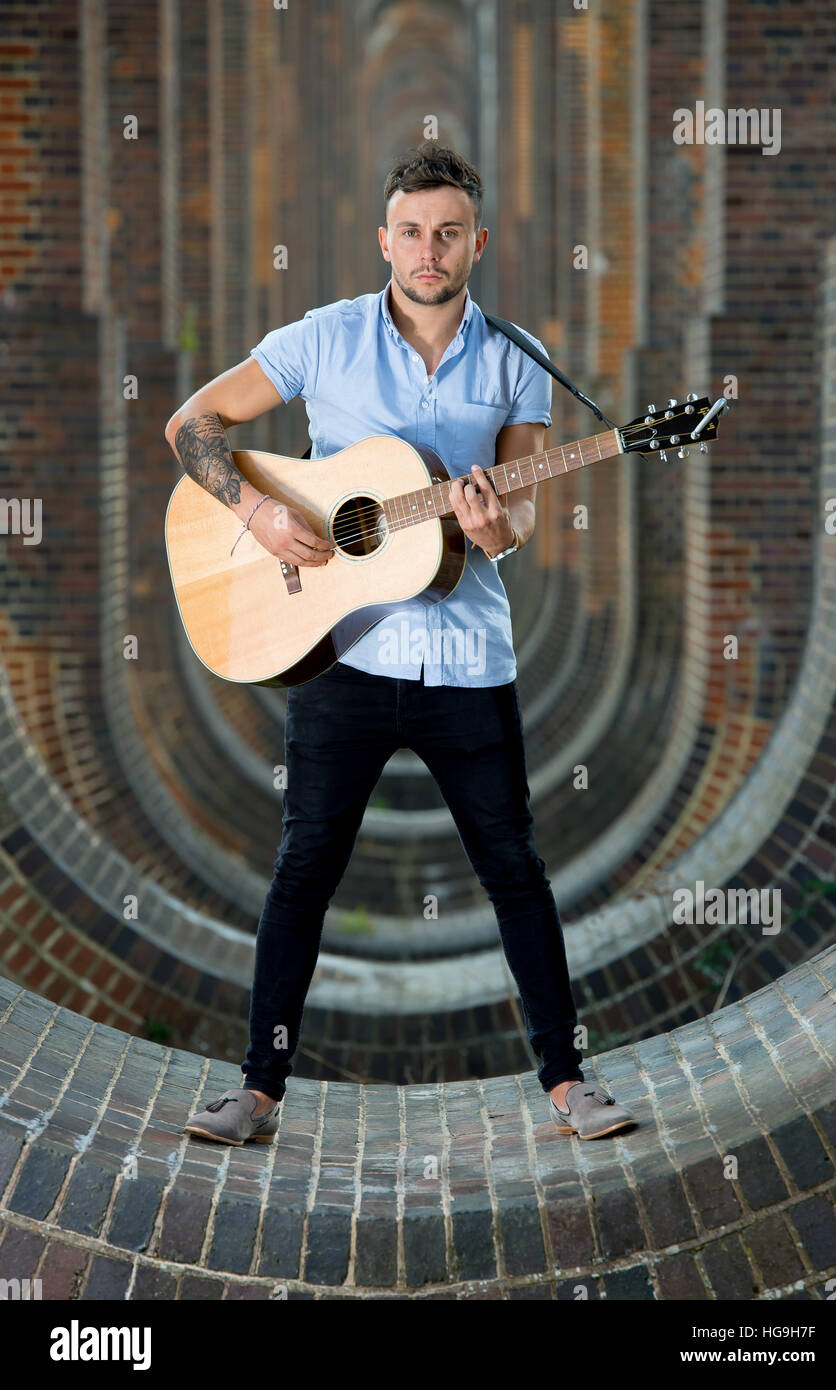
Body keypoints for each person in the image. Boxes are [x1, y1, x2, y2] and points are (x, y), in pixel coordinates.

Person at [165, 141, 636, 1145]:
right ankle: (257, 1089)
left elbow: (515, 526)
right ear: (385, 238)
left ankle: (566, 1080)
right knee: (304, 870)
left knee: (514, 867)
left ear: (477, 243)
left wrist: (491, 516)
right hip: (342, 653)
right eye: (412, 232)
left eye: (448, 233)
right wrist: (255, 510)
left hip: (467, 659)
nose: (429, 250)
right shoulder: (323, 338)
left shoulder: (518, 360)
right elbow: (191, 424)